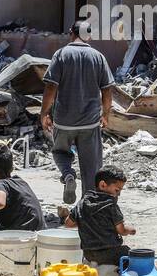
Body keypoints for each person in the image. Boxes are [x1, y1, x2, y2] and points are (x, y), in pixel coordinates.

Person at [41, 21, 114, 204]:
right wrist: (105, 115)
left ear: (71, 33)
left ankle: (68, 175)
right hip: (90, 123)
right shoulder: (98, 57)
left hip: (64, 121)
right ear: (88, 36)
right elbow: (107, 90)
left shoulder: (61, 54)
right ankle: (87, 207)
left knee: (60, 152)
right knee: (91, 168)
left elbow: (51, 87)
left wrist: (44, 113)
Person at [64, 165, 136, 265]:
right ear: (103, 185)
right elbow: (121, 230)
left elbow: (68, 223)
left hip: (88, 254)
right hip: (110, 253)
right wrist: (131, 230)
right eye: (117, 190)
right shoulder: (111, 205)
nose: (118, 194)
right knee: (132, 257)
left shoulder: (83, 202)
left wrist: (86, 222)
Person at [0, 143, 46, 232]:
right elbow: (2, 201)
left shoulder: (2, 184)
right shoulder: (19, 181)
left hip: (22, 235)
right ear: (12, 168)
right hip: (39, 232)